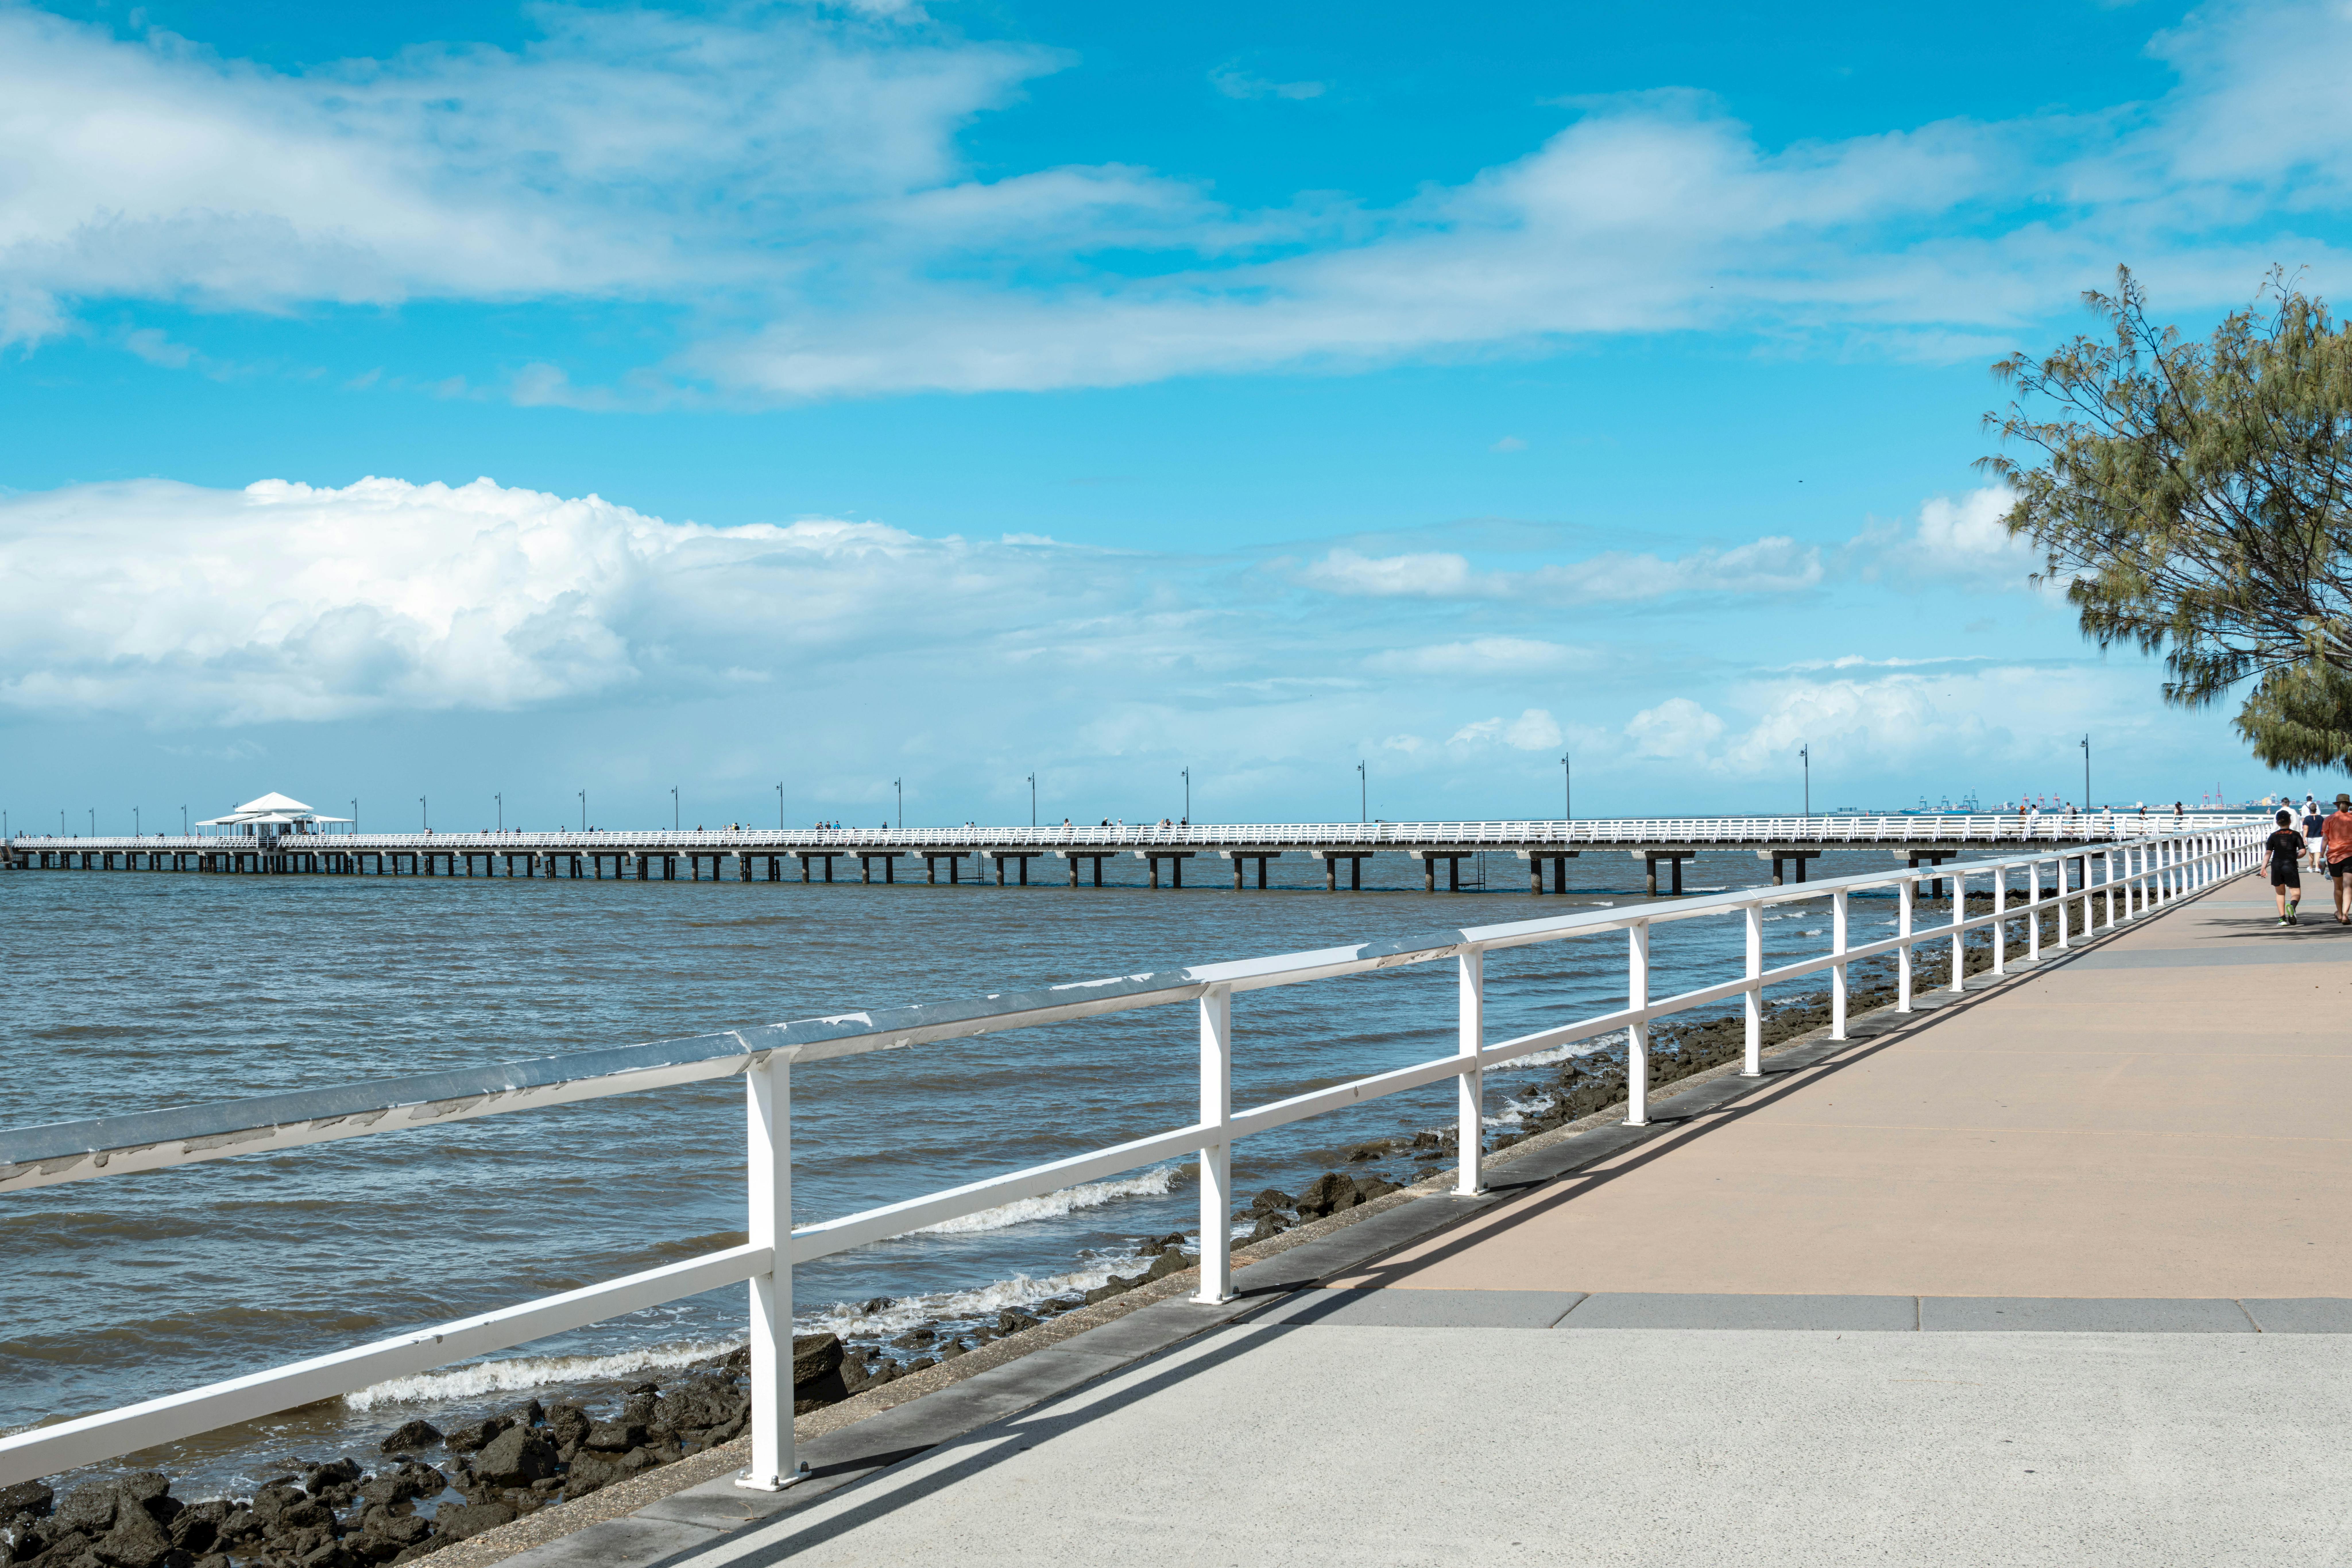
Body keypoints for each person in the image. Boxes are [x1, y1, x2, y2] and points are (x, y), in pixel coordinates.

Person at [2265, 809, 2306, 925]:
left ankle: (2282, 920)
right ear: (2290, 821)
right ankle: (2292, 906)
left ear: (2278, 822)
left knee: (2280, 893)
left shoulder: (2273, 836)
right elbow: (2303, 852)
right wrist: (2295, 856)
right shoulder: (2296, 835)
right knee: (2296, 892)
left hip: (2277, 866)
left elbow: (2268, 853)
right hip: (2291, 866)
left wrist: (2263, 868)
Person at [2328, 794, 2352, 925]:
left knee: (2338, 888)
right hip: (2351, 856)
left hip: (2334, 857)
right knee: (2349, 887)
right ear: (2349, 805)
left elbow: (2325, 840)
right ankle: (2346, 915)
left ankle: (2340, 913)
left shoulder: (2330, 819)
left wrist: (2320, 856)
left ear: (2337, 805)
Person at [2306, 803, 2328, 872]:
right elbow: (2324, 828)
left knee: (2311, 853)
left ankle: (2310, 868)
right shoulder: (2321, 818)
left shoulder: (2307, 818)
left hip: (2310, 837)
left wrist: (2304, 838)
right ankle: (2317, 867)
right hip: (2319, 837)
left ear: (2309, 810)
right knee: (2318, 852)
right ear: (2316, 809)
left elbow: (2305, 829)